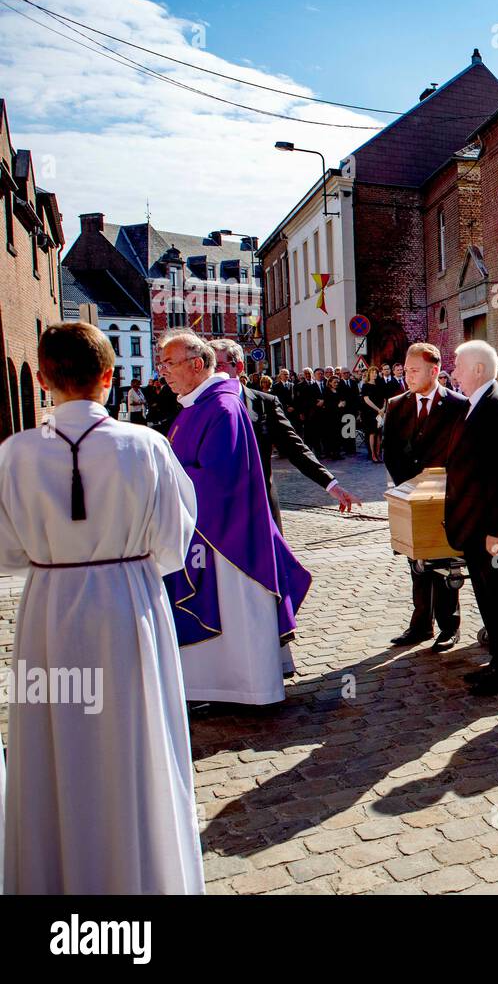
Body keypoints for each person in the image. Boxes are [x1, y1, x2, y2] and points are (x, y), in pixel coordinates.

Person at [0, 323, 203, 894]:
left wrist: (55, 554)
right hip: (128, 607)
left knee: (55, 743)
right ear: (111, 378)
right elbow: (172, 541)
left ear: (42, 380)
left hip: (49, 609)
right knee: (135, 743)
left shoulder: (14, 454)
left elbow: (6, 550)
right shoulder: (146, 446)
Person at [159, 330, 311, 705]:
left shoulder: (221, 408)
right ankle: (214, 684)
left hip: (226, 539)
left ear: (196, 365)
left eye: (169, 363)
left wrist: (162, 474)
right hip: (208, 531)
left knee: (233, 612)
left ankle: (245, 686)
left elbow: (220, 477)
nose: (163, 371)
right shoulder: (195, 405)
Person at [446, 340, 498, 696]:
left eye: (458, 366)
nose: (453, 373)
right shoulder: (475, 404)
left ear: (478, 369)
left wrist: (496, 531)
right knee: (490, 599)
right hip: (476, 527)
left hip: (495, 531)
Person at [211, 340, 358, 530]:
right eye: (208, 365)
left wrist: (332, 485)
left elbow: (295, 448)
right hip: (216, 512)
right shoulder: (196, 406)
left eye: (218, 365)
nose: (211, 372)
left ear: (238, 367)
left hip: (259, 506)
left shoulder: (265, 404)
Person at [384, 343, 468, 650]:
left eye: (414, 370)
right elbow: (390, 452)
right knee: (416, 562)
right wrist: (408, 488)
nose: (408, 376)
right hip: (411, 496)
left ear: (434, 371)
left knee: (445, 562)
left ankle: (450, 626)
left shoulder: (458, 405)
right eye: (405, 370)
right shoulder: (396, 405)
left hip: (444, 498)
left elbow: (462, 453)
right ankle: (420, 625)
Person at [361, 365, 386, 462]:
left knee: (379, 433)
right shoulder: (365, 385)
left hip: (380, 412)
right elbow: (366, 400)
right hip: (370, 412)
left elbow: (385, 399)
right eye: (372, 373)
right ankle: (373, 454)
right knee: (372, 433)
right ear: (369, 374)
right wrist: (377, 409)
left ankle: (378, 453)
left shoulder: (380, 384)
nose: (374, 374)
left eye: (376, 373)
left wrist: (383, 409)